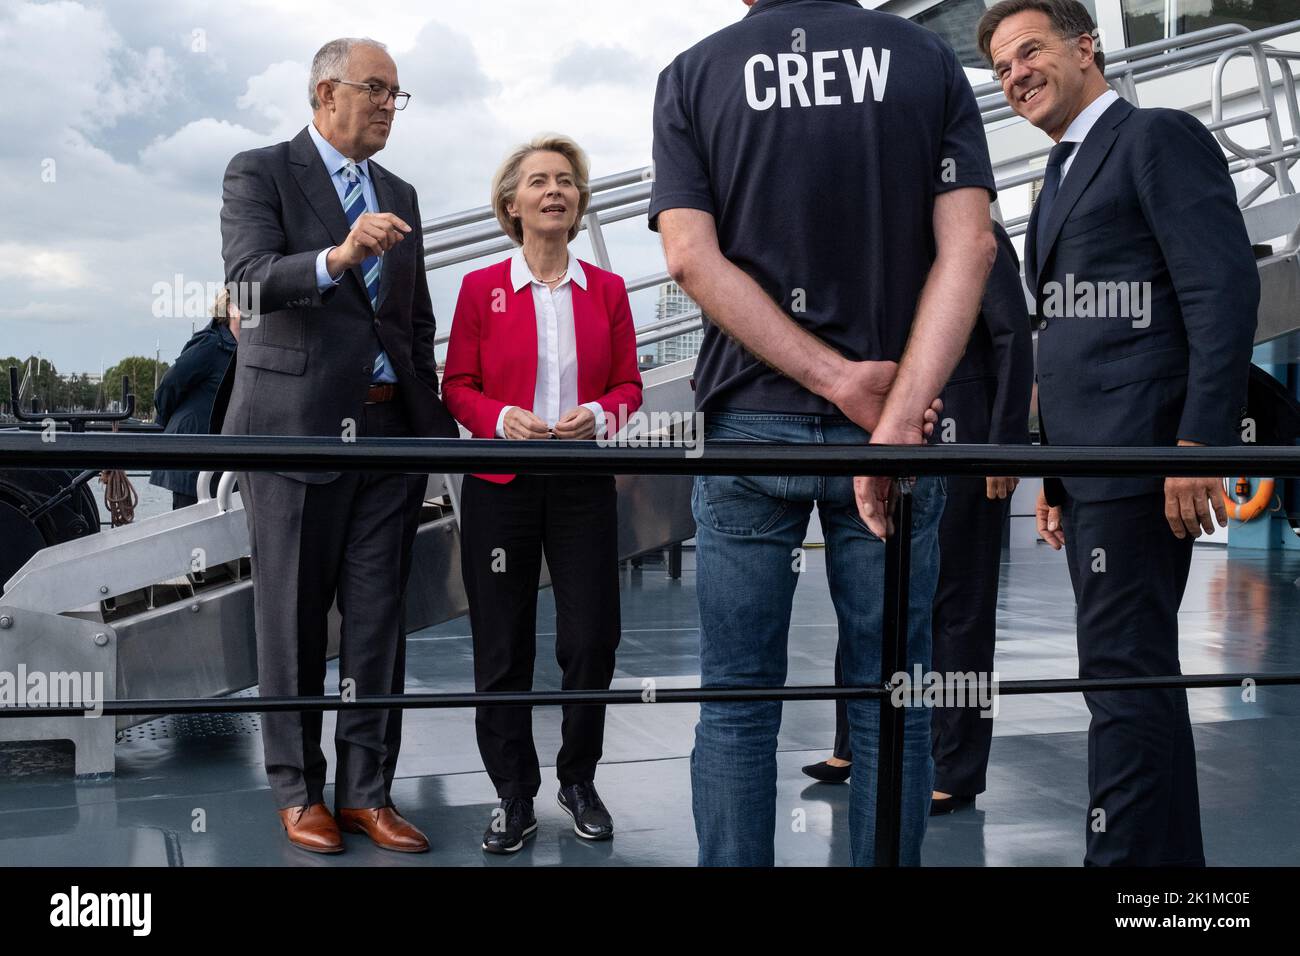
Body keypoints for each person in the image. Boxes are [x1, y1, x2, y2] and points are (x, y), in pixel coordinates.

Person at [650, 0, 997, 866]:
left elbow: (691, 257)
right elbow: (973, 249)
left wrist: (833, 381)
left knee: (736, 703)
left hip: (748, 425)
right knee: (893, 701)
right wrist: (892, 415)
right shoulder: (925, 60)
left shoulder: (695, 73)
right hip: (891, 434)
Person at [978, 0, 1258, 865]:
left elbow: (1222, 292)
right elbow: (1067, 341)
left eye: (1029, 51)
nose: (1015, 73)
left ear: (1086, 46)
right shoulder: (1055, 176)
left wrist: (1196, 446)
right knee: (1136, 678)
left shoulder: (1156, 137)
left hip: (1146, 462)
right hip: (1096, 470)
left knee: (1120, 678)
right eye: (999, 67)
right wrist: (1057, 477)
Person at [216, 36, 459, 855]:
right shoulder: (259, 171)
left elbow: (414, 319)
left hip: (388, 437)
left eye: (398, 94)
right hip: (293, 431)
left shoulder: (403, 193)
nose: (392, 105)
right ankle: (296, 790)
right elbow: (248, 280)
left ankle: (366, 792)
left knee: (377, 623)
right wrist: (337, 255)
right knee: (288, 617)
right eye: (377, 89)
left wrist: (429, 421)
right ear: (326, 95)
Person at [443, 134, 643, 854]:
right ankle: (513, 792)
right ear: (512, 205)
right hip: (503, 484)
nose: (555, 190)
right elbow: (456, 386)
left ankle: (578, 778)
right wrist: (500, 419)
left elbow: (630, 385)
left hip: (583, 482)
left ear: (580, 202)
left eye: (567, 181)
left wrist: (603, 415)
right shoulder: (479, 290)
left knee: (592, 636)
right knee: (502, 642)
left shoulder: (610, 291)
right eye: (539, 182)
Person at [802, 222, 1033, 818]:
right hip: (885, 437)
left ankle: (955, 768)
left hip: (965, 442)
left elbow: (1012, 337)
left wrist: (1003, 445)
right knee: (870, 593)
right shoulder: (876, 234)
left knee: (958, 607)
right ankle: (853, 742)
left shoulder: (975, 230)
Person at [150, 289, 240, 509]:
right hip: (192, 451)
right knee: (191, 530)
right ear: (229, 308)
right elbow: (170, 384)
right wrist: (166, 421)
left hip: (225, 457)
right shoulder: (211, 343)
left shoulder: (250, 350)